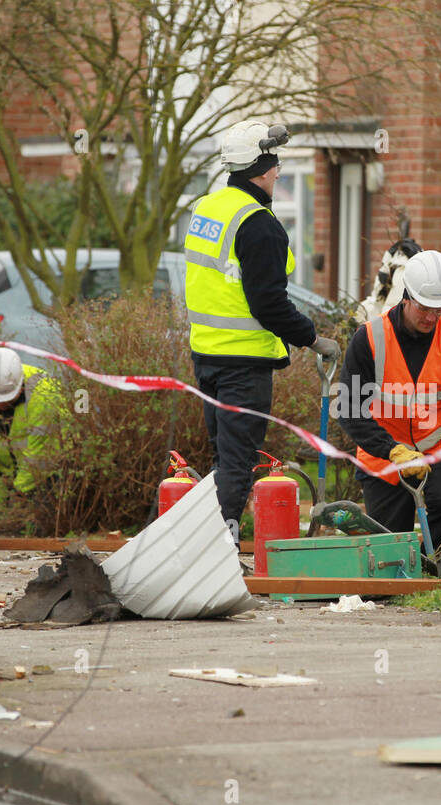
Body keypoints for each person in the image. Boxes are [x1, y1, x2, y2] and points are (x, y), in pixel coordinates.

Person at [184, 119, 338, 538]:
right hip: (243, 364)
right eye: (275, 166)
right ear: (262, 169)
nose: (277, 173)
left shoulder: (208, 208)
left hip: (206, 358)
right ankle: (221, 552)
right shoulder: (259, 225)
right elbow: (268, 304)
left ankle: (210, 544)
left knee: (223, 457)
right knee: (236, 461)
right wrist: (312, 338)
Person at [335, 250, 441, 549]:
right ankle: (406, 573)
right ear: (406, 296)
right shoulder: (368, 338)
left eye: (440, 309)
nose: (432, 317)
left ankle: (430, 569)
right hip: (384, 456)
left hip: (435, 450)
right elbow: (350, 409)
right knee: (391, 545)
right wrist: (392, 450)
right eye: (424, 308)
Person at [0, 347, 62, 507]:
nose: (1, 404)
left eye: (7, 398)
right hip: (7, 473)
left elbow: (38, 454)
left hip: (49, 472)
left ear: (21, 384)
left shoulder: (44, 394)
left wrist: (19, 493)